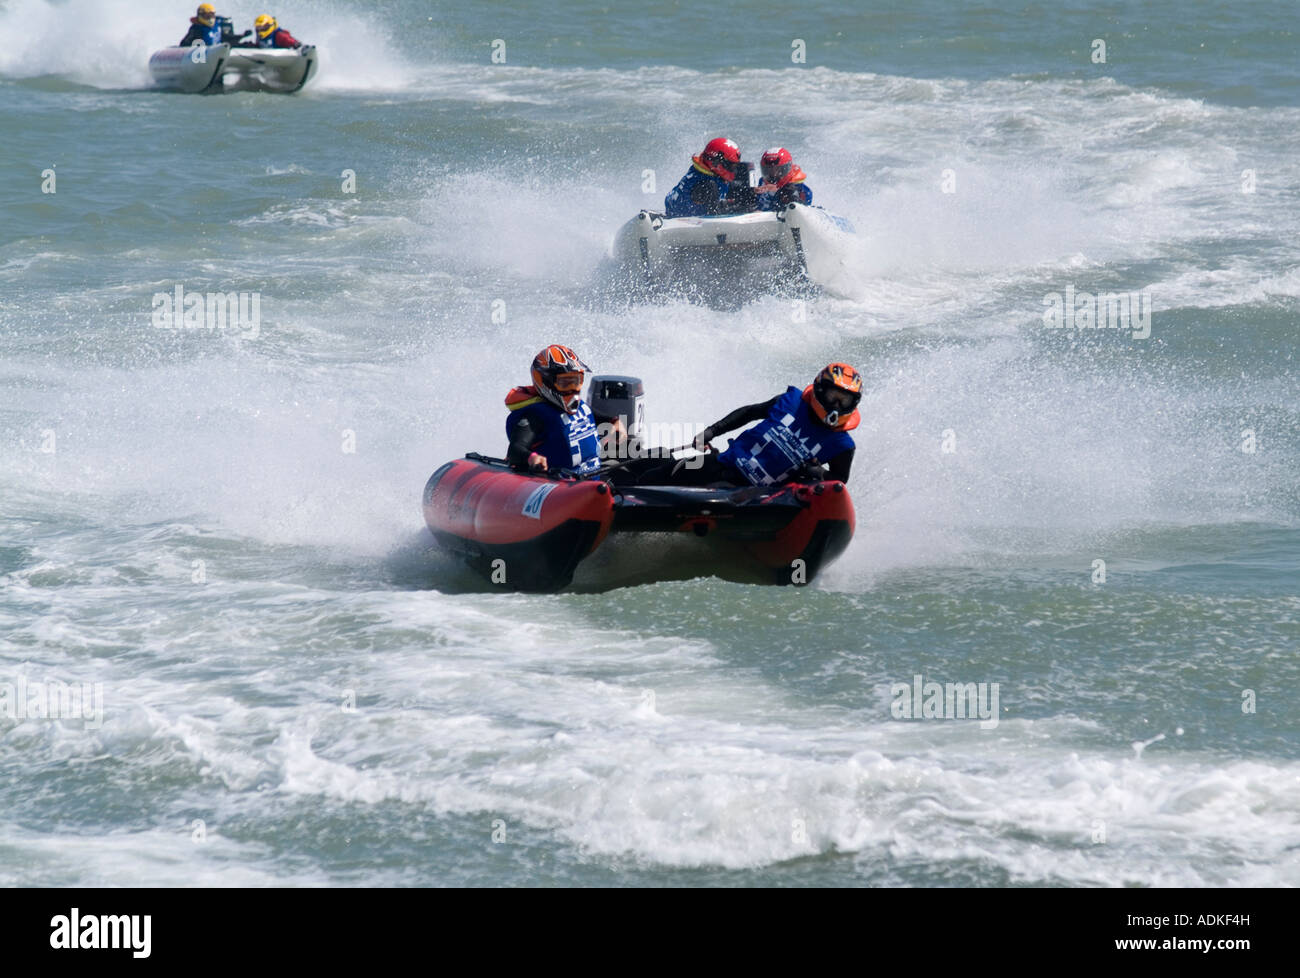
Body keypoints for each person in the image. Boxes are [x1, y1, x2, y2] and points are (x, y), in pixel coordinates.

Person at [618, 362, 863, 488]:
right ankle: (615, 492)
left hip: (762, 495)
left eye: (845, 401)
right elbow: (749, 413)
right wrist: (712, 431)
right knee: (662, 473)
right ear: (820, 390)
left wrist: (818, 473)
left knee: (708, 492)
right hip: (727, 463)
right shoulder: (790, 401)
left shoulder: (842, 445)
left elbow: (839, 480)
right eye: (833, 397)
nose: (837, 407)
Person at [505, 345, 613, 476]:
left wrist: (615, 422)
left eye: (577, 381)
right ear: (545, 382)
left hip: (593, 479)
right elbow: (515, 450)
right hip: (560, 486)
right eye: (565, 383)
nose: (574, 388)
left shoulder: (578, 406)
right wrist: (532, 458)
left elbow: (595, 417)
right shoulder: (535, 416)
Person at [663, 137, 758, 218]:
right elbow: (714, 214)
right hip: (682, 220)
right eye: (731, 166)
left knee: (745, 171)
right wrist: (742, 208)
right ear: (716, 162)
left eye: (734, 166)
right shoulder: (704, 185)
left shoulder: (712, 172)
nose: (734, 170)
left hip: (706, 207)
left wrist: (752, 194)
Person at [178, 4, 248, 47]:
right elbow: (184, 44)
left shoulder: (217, 25)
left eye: (211, 15)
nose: (210, 18)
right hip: (200, 53)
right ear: (200, 16)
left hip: (216, 51)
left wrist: (242, 35)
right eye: (207, 16)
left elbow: (226, 37)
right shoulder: (196, 28)